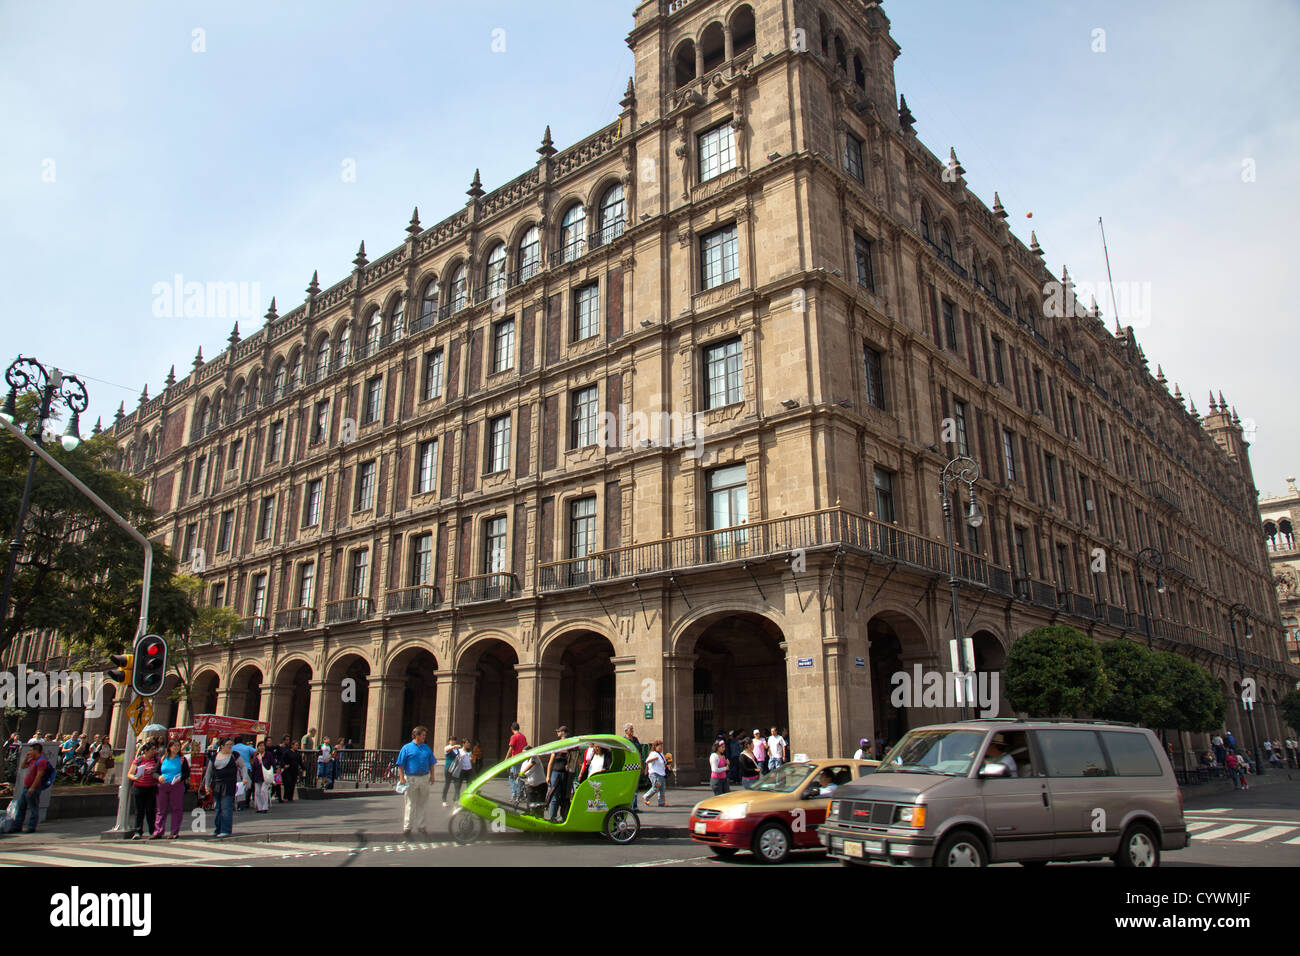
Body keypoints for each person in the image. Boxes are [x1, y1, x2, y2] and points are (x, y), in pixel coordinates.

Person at [203, 738, 252, 838]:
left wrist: (245, 777)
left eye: (231, 744)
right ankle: (217, 829)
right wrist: (207, 785)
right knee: (217, 808)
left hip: (229, 784)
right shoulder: (214, 756)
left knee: (226, 807)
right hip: (216, 785)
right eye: (228, 744)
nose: (230, 746)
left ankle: (225, 830)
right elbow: (209, 772)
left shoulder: (235, 755)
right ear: (222, 746)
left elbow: (243, 766)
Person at [395, 726, 436, 838]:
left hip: (424, 777)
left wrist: (432, 776)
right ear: (416, 735)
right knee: (410, 803)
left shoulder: (426, 748)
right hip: (411, 778)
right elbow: (400, 764)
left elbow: (431, 762)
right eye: (423, 735)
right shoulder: (407, 748)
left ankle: (421, 826)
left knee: (422, 803)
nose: (424, 737)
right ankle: (407, 827)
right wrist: (402, 778)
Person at [10, 742, 49, 834]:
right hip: (26, 786)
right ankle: (17, 825)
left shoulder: (41, 761)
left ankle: (31, 826)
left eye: (31, 750)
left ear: (36, 750)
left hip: (33, 787)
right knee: (21, 806)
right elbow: (23, 766)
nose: (29, 752)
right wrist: (26, 758)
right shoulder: (32, 760)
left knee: (33, 807)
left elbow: (39, 775)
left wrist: (32, 787)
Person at [154, 740, 188, 839]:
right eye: (175, 746)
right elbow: (155, 772)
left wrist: (180, 778)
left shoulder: (182, 759)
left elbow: (187, 773)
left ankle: (174, 832)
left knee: (176, 809)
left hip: (176, 786)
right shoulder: (163, 758)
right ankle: (158, 831)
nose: (177, 748)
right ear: (169, 747)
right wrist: (158, 777)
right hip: (163, 786)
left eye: (178, 746)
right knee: (161, 810)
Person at [127, 741, 160, 839]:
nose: (154, 751)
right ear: (146, 751)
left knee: (150, 810)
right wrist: (135, 778)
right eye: (152, 749)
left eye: (155, 749)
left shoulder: (156, 759)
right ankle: (138, 831)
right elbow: (129, 774)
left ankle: (152, 830)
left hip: (151, 788)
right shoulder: (139, 760)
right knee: (139, 810)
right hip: (139, 787)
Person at [545, 726, 573, 823]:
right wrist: (548, 776)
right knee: (554, 796)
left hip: (566, 774)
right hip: (556, 773)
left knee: (565, 796)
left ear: (563, 733)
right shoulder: (557, 746)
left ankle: (564, 816)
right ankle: (552, 817)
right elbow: (550, 762)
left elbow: (574, 761)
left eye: (559, 731)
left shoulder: (571, 746)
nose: (557, 733)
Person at [507, 722, 528, 799]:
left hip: (515, 760)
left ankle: (515, 794)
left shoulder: (514, 737)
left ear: (512, 729)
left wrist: (506, 759)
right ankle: (520, 794)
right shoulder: (523, 737)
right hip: (522, 759)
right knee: (520, 777)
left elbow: (511, 748)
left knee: (512, 777)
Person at [251, 740, 274, 813]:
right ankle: (259, 807)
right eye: (260, 746)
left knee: (263, 791)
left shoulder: (268, 754)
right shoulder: (256, 755)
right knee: (257, 792)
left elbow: (272, 763)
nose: (262, 747)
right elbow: (253, 765)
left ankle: (265, 807)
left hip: (265, 775)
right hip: (257, 775)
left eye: (263, 746)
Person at [643, 740, 668, 806]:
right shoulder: (653, 753)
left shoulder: (661, 754)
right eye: (659, 746)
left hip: (661, 773)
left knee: (662, 788)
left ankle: (661, 802)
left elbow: (664, 763)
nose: (661, 747)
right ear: (655, 747)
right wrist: (654, 759)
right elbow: (647, 761)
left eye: (661, 746)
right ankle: (645, 797)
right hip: (654, 773)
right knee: (656, 787)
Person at [441, 736, 462, 807]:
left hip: (456, 769)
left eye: (454, 740)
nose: (453, 741)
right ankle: (444, 800)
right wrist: (454, 746)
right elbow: (447, 750)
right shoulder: (447, 747)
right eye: (452, 740)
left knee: (457, 784)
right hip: (449, 768)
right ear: (449, 741)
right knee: (447, 784)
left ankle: (456, 800)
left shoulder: (457, 750)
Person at [280, 738, 302, 802]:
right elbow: (282, 760)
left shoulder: (297, 753)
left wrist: (303, 768)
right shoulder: (287, 752)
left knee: (293, 783)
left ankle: (290, 797)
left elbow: (300, 762)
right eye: (295, 745)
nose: (296, 746)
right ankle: (286, 796)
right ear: (292, 746)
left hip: (294, 770)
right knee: (288, 783)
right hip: (288, 770)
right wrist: (284, 765)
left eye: (297, 745)